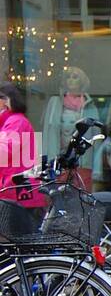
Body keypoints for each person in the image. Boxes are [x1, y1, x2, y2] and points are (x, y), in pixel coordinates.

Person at [0, 81, 47, 223]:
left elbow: (3, 152)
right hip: (16, 192)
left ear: (4, 102)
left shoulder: (16, 122)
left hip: (20, 193)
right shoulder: (11, 122)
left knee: (24, 241)